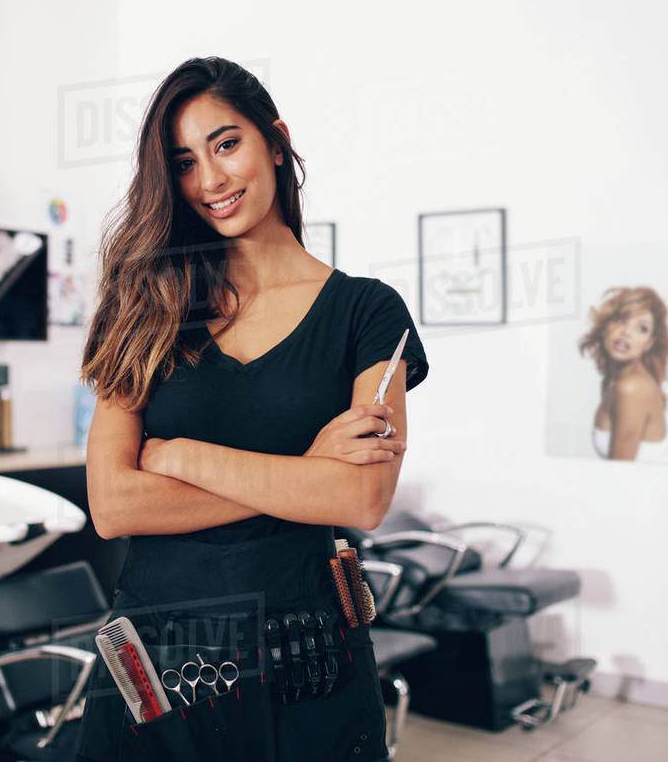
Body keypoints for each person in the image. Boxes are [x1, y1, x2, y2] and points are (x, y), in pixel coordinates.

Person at [75, 56, 429, 761]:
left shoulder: (368, 312)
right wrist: (303, 475)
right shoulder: (144, 305)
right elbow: (113, 504)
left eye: (226, 143)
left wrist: (182, 459)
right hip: (161, 653)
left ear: (274, 139)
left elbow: (361, 496)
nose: (211, 181)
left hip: (313, 656)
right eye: (183, 161)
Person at [578, 286, 668, 463]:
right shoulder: (613, 381)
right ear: (605, 326)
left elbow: (620, 475)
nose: (626, 332)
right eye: (620, 320)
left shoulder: (632, 388)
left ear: (649, 343)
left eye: (641, 328)